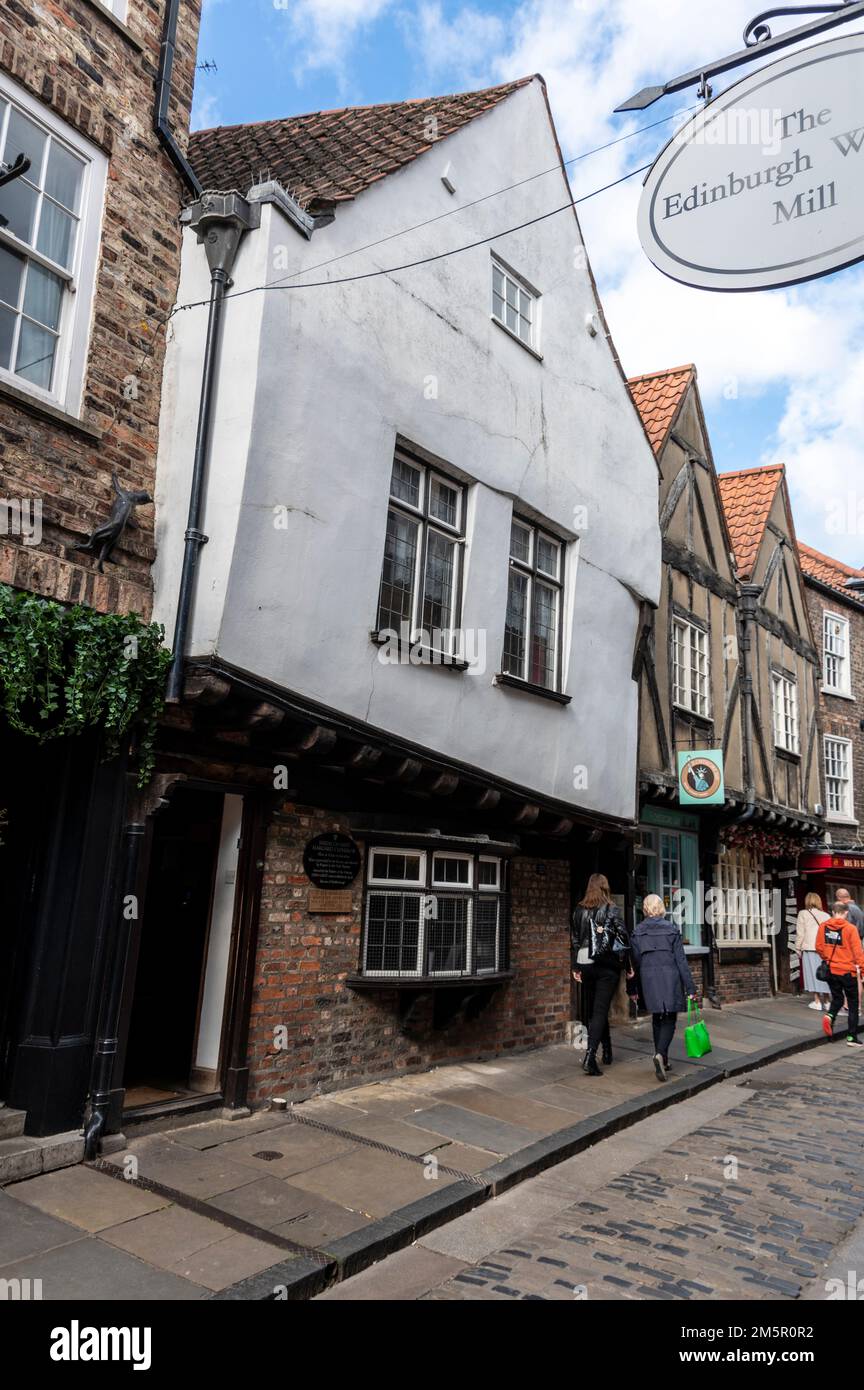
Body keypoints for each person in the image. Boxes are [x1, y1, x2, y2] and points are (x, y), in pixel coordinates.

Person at [630, 894, 697, 1083]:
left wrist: (632, 989)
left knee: (657, 1018)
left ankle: (663, 1059)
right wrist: (690, 988)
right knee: (669, 1019)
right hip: (670, 978)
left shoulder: (637, 932)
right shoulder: (672, 930)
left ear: (644, 909)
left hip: (648, 979)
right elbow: (681, 962)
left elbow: (633, 965)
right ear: (661, 908)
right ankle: (660, 1054)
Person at [571, 873, 629, 1076]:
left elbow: (575, 940)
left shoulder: (579, 909)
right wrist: (627, 965)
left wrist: (575, 967)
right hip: (605, 965)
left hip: (584, 963)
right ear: (605, 887)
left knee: (596, 1010)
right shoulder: (611, 908)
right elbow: (622, 938)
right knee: (599, 1011)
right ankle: (590, 1057)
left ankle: (607, 1050)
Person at [816, 901, 864, 1046]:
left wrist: (828, 958)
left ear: (832, 911)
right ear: (846, 913)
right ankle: (851, 1037)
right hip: (848, 971)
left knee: (837, 998)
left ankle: (830, 1015)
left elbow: (818, 947)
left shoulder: (823, 927)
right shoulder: (850, 929)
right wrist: (862, 970)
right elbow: (858, 953)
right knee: (853, 1004)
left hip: (831, 970)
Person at [795, 892, 830, 1010]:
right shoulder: (826, 915)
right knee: (824, 973)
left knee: (812, 974)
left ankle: (817, 1001)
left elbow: (800, 933)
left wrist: (798, 948)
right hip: (824, 949)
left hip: (809, 947)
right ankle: (827, 1001)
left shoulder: (803, 913)